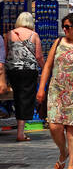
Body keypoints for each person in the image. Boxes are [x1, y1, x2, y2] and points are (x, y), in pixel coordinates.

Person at [37, 13, 73, 169]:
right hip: (56, 89)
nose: (65, 29)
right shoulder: (58, 42)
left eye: (68, 27)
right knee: (54, 126)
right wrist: (41, 88)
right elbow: (47, 66)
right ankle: (63, 151)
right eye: (64, 26)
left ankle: (72, 163)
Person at [4, 12, 44, 142]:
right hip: (28, 70)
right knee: (26, 98)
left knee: (16, 97)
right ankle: (21, 132)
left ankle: (19, 129)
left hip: (12, 70)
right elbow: (38, 56)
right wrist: (45, 68)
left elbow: (4, 54)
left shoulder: (9, 34)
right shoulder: (34, 35)